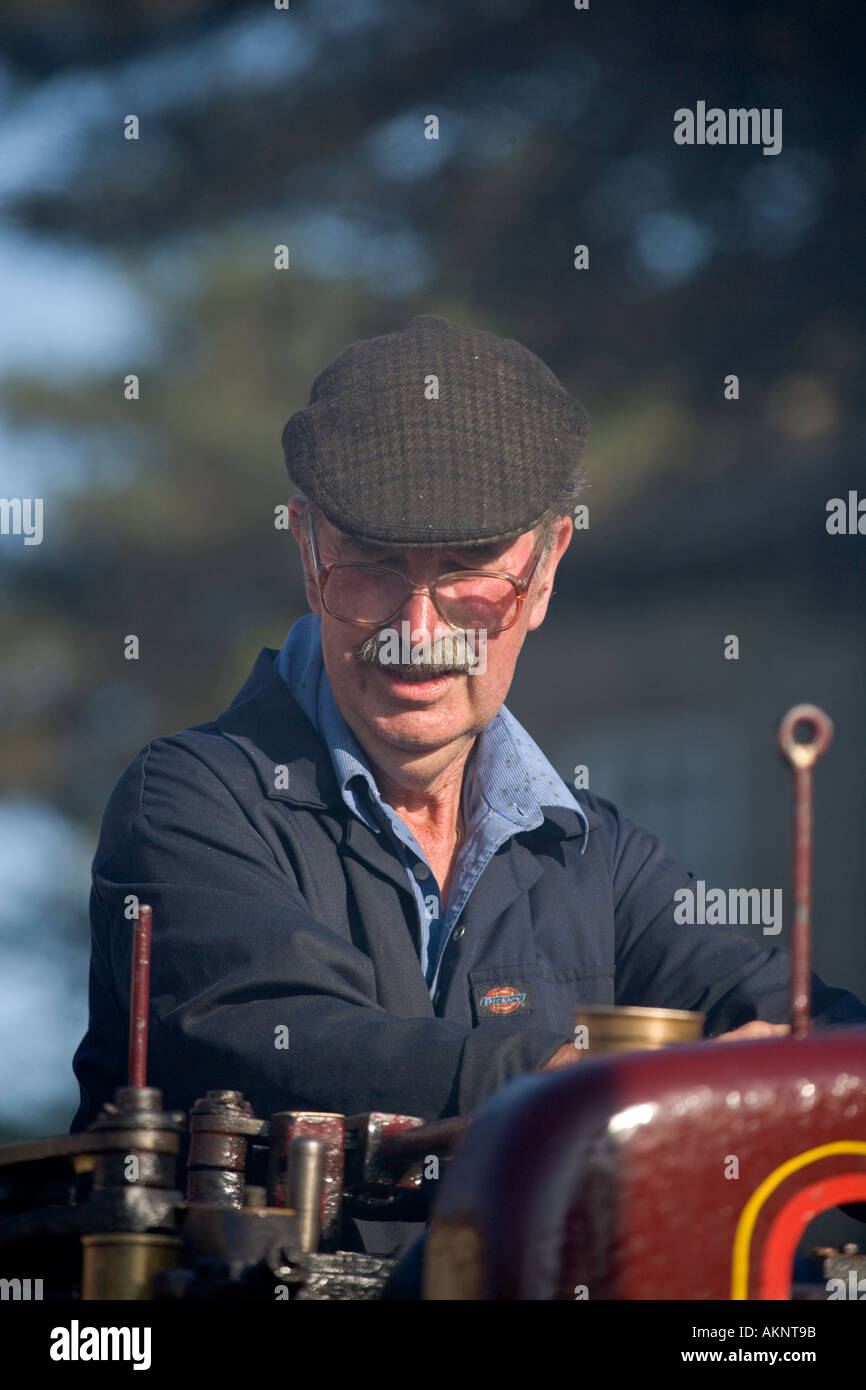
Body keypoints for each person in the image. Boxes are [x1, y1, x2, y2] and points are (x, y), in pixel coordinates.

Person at [70, 314, 866, 1255]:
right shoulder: (188, 800)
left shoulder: (599, 861)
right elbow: (272, 1037)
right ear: (306, 551)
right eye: (371, 566)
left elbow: (817, 1040)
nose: (419, 624)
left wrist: (801, 1080)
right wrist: (597, 1078)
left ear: (548, 565)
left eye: (469, 573)